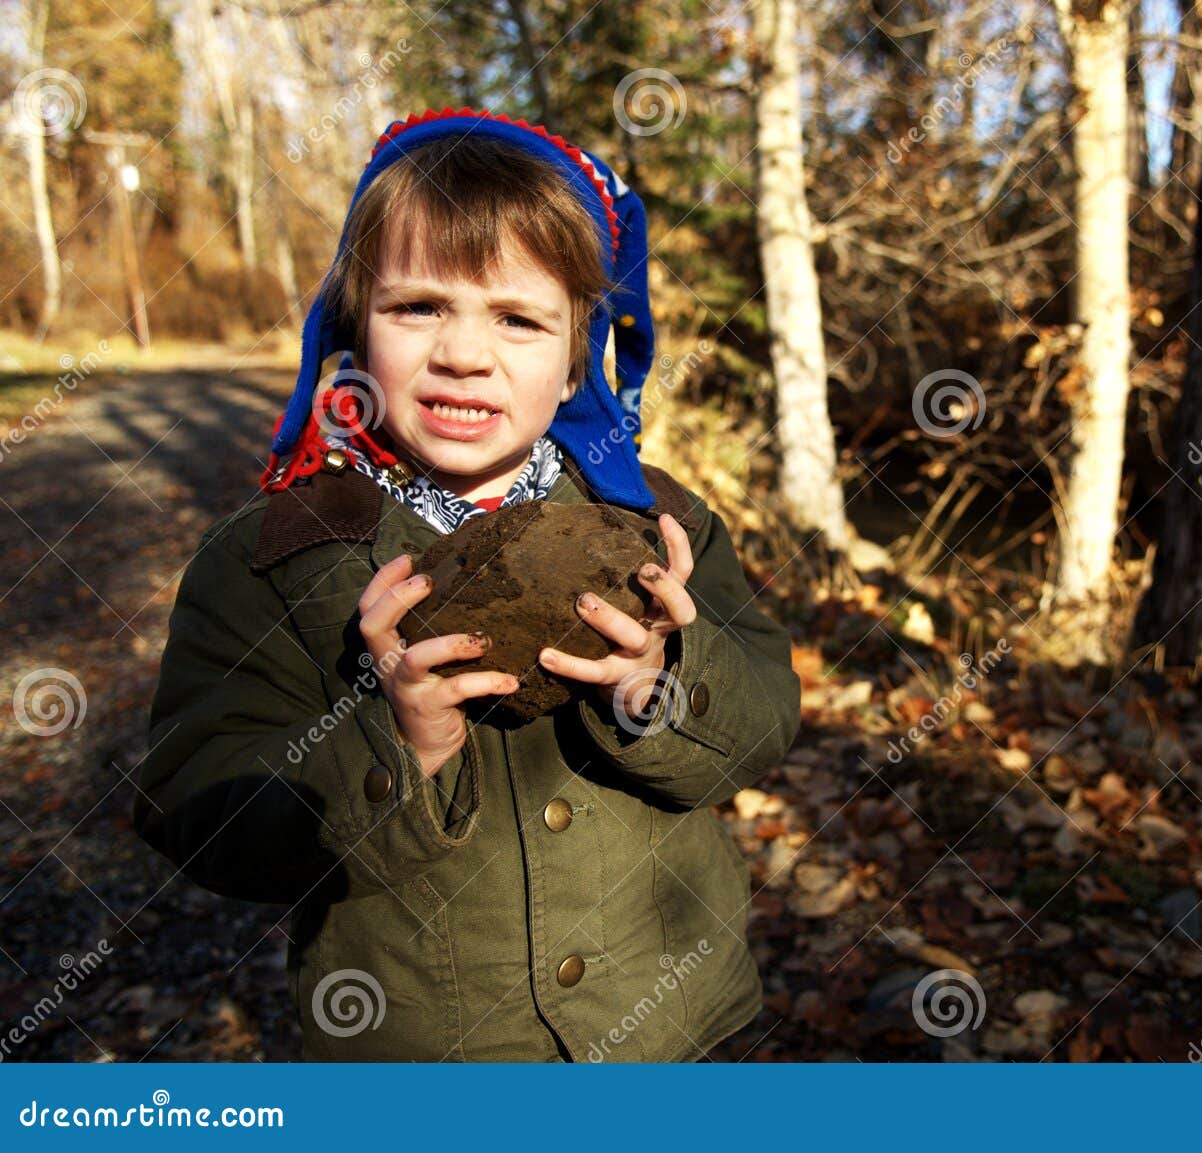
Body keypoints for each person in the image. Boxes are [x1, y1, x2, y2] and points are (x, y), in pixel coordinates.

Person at [134, 109, 802, 1062]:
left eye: (518, 319)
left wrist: (662, 682)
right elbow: (191, 804)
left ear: (579, 353)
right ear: (355, 323)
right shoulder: (275, 555)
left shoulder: (663, 524)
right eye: (418, 307)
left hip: (675, 1031)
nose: (463, 353)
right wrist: (390, 744)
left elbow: (770, 715)